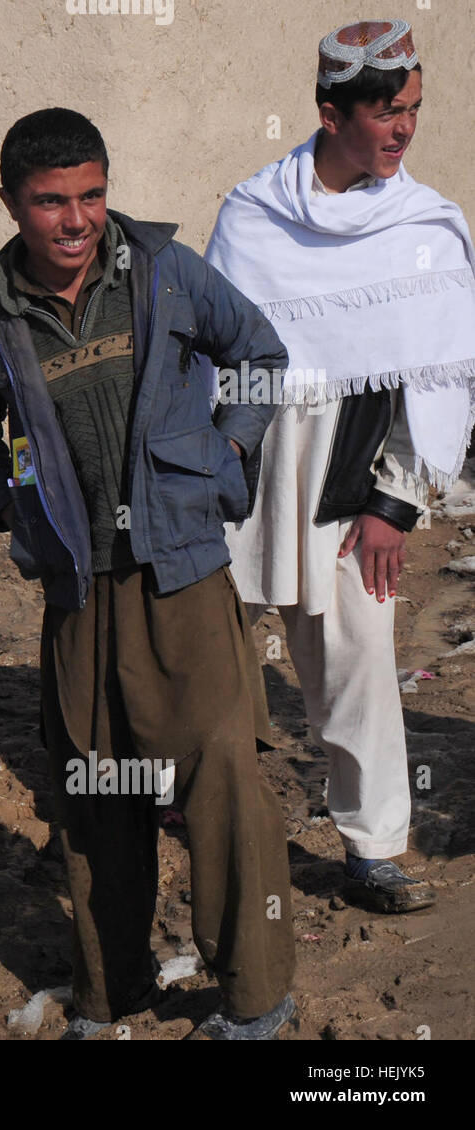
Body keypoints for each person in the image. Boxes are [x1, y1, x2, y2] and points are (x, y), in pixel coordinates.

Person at [0, 109, 297, 1039]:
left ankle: (256, 998)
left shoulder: (167, 273)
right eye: (50, 201)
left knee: (222, 778)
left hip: (182, 574)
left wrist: (227, 454)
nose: (76, 220)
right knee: (98, 794)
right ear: (10, 203)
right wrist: (12, 510)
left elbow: (260, 355)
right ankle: (115, 991)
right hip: (79, 588)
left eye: (91, 195)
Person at [206, 20, 475, 914]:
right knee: (202, 657)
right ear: (331, 114)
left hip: (352, 490)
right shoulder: (253, 214)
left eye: (414, 110)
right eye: (387, 112)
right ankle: (180, 805)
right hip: (247, 480)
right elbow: (210, 360)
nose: (405, 129)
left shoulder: (421, 227)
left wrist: (394, 504)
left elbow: (433, 381)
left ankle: (373, 848)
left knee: (359, 669)